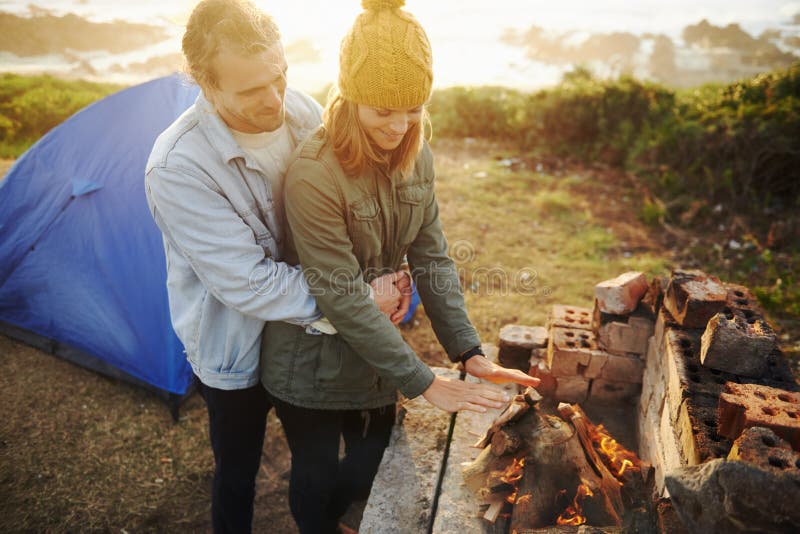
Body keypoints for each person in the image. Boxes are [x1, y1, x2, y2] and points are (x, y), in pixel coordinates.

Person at [259, 1, 541, 532]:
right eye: (382, 109)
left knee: (371, 467)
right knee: (316, 478)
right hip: (310, 366)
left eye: (412, 107)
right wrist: (421, 379)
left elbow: (432, 256)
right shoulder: (314, 174)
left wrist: (468, 351)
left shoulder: (418, 154)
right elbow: (339, 293)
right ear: (350, 96)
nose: (399, 123)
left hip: (374, 361)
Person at [144, 1, 412, 532]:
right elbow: (249, 283)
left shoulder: (305, 112)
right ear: (202, 82)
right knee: (237, 473)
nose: (274, 100)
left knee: (326, 458)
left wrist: (393, 268)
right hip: (234, 345)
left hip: (311, 343)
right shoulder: (177, 166)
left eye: (280, 76)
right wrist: (358, 303)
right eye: (249, 91)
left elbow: (352, 203)